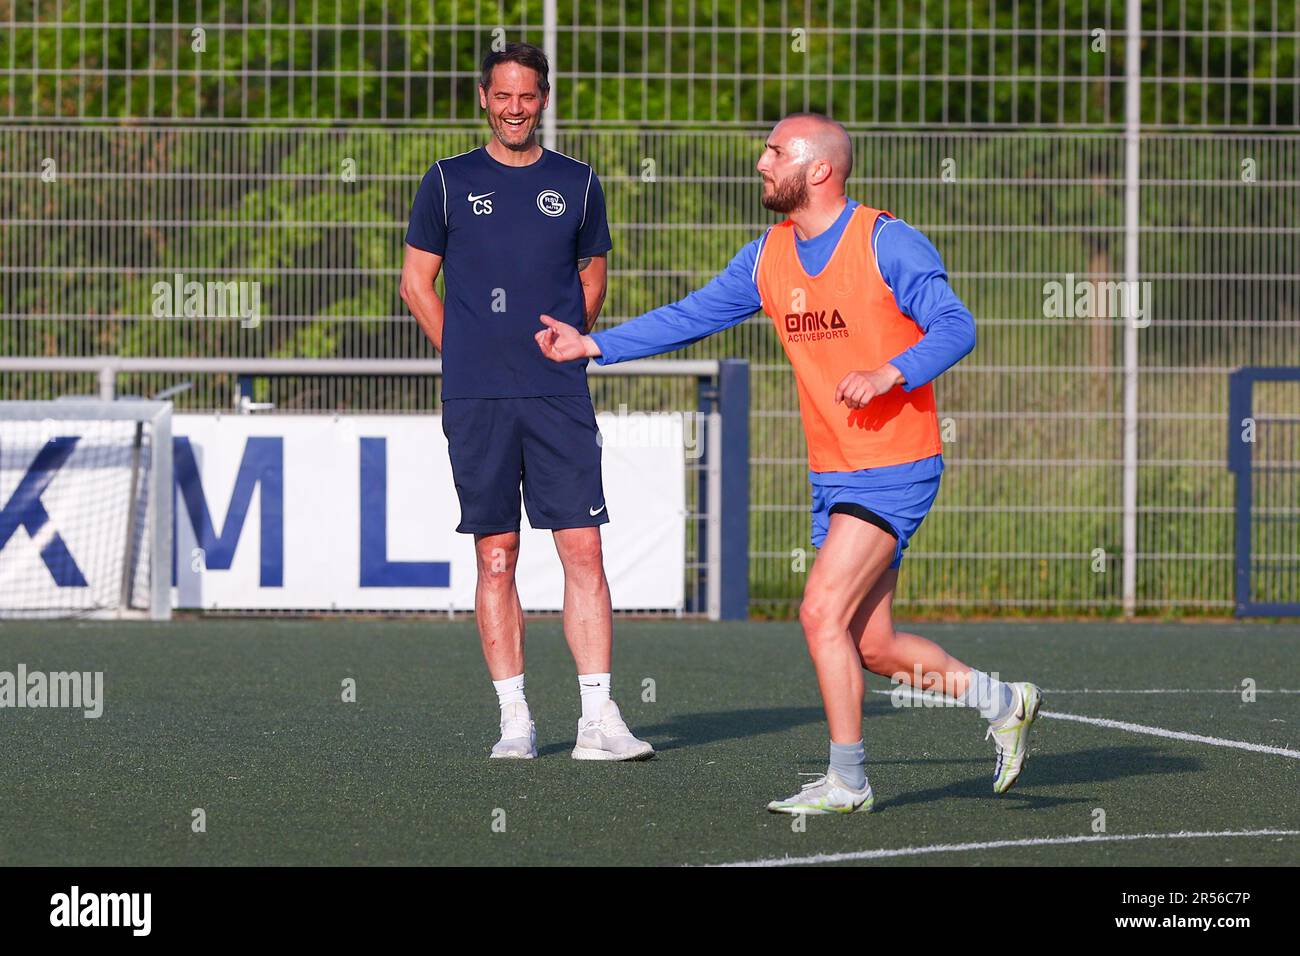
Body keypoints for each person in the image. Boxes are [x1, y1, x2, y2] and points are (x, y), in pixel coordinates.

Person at [536, 112, 1042, 811]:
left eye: (776, 152)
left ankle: (849, 781)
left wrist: (892, 372)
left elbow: (956, 324)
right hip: (834, 472)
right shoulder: (767, 257)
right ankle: (1003, 701)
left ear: (820, 170)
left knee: (818, 611)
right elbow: (691, 315)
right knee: (874, 644)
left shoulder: (885, 242)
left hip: (894, 464)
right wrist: (595, 346)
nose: (761, 163)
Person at [400, 41, 653, 762]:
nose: (515, 108)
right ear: (483, 97)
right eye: (503, 95)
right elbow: (417, 284)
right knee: (498, 557)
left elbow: (594, 273)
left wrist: (569, 339)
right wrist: (469, 351)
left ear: (544, 99)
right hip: (478, 396)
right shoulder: (447, 181)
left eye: (528, 96)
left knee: (583, 546)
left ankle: (598, 721)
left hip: (556, 393)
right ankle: (516, 720)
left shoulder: (577, 183)